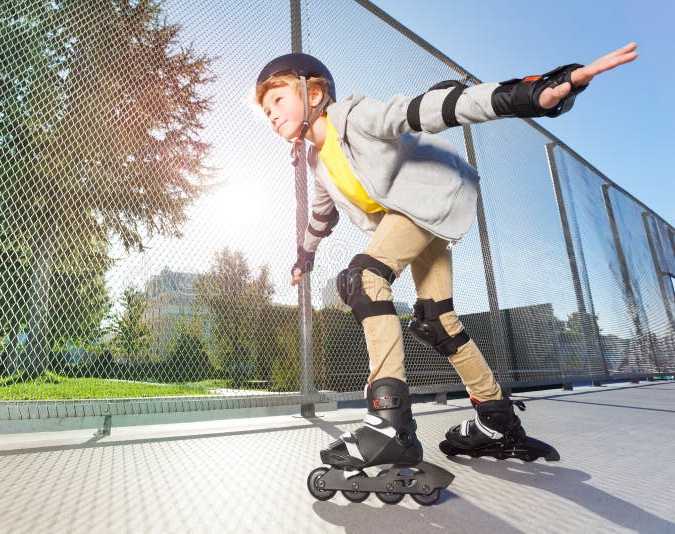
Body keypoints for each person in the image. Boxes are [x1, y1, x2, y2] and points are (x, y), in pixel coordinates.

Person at [254, 43, 637, 500]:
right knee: (438, 322)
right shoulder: (318, 163)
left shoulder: (355, 117)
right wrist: (305, 255)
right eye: (266, 109)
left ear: (313, 93)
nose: (271, 114)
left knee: (363, 279)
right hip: (415, 212)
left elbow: (428, 109)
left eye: (277, 100)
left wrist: (532, 94)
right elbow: (322, 215)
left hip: (428, 199)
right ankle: (497, 422)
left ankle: (388, 422)